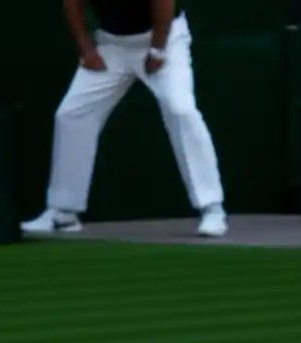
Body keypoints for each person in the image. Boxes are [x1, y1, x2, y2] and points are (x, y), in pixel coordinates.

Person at [20, 0, 228, 238]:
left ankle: (212, 208)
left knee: (181, 110)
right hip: (111, 46)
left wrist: (157, 50)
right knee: (71, 115)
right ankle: (63, 213)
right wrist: (86, 49)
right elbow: (72, 2)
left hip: (165, 39)